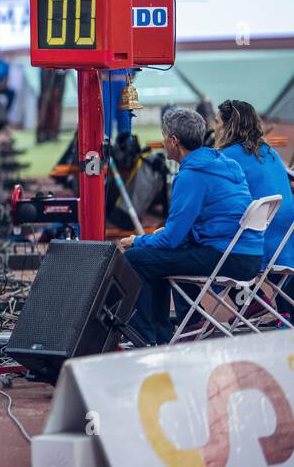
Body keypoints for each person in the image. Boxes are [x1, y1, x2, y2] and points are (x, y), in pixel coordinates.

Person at [118, 108, 263, 345]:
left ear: (174, 141)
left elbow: (171, 240)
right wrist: (162, 236)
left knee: (135, 258)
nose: (163, 142)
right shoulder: (226, 163)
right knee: (155, 256)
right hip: (249, 254)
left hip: (227, 256)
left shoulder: (191, 176)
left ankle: (145, 337)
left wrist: (138, 240)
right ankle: (172, 329)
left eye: (164, 136)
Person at [214, 100, 294, 300]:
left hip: (258, 244)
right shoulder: (270, 152)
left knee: (203, 240)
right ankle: (257, 304)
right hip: (286, 241)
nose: (213, 128)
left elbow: (217, 207)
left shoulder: (225, 158)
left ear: (228, 127)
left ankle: (249, 303)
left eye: (216, 122)